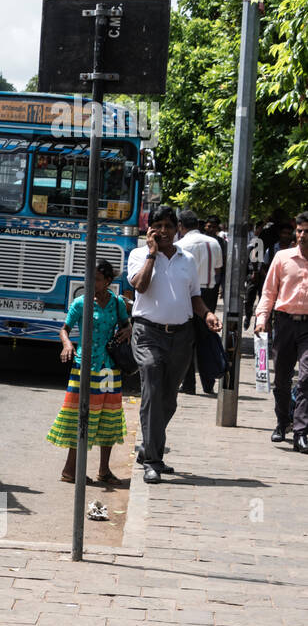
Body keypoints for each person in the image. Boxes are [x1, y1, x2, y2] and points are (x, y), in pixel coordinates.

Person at [128, 206, 222, 483]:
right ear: (149, 230)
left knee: (168, 400)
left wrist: (207, 314)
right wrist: (151, 255)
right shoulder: (137, 255)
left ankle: (149, 448)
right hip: (147, 334)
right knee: (152, 391)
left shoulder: (187, 259)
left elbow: (194, 296)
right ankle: (152, 461)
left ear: (177, 228)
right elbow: (140, 287)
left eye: (169, 226)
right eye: (158, 226)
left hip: (181, 336)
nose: (164, 232)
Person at [48, 260, 132, 485]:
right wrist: (67, 345)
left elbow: (126, 325)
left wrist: (128, 330)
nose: (91, 282)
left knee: (109, 418)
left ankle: (104, 470)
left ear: (107, 281)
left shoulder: (117, 304)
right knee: (81, 416)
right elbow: (64, 330)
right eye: (89, 277)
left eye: (96, 278)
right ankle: (70, 470)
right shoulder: (81, 303)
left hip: (109, 370)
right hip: (83, 368)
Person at [253, 211, 308, 452]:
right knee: (281, 380)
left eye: (307, 231)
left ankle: (301, 431)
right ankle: (282, 422)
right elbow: (268, 292)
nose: (303, 235)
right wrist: (262, 318)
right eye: (300, 230)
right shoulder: (282, 257)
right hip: (284, 323)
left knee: (306, 378)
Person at [176, 209, 224, 394]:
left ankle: (188, 384)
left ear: (181, 226)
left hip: (189, 295)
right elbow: (219, 269)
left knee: (188, 340)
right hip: (209, 294)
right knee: (206, 338)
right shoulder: (214, 243)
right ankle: (208, 382)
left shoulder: (181, 245)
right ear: (198, 224)